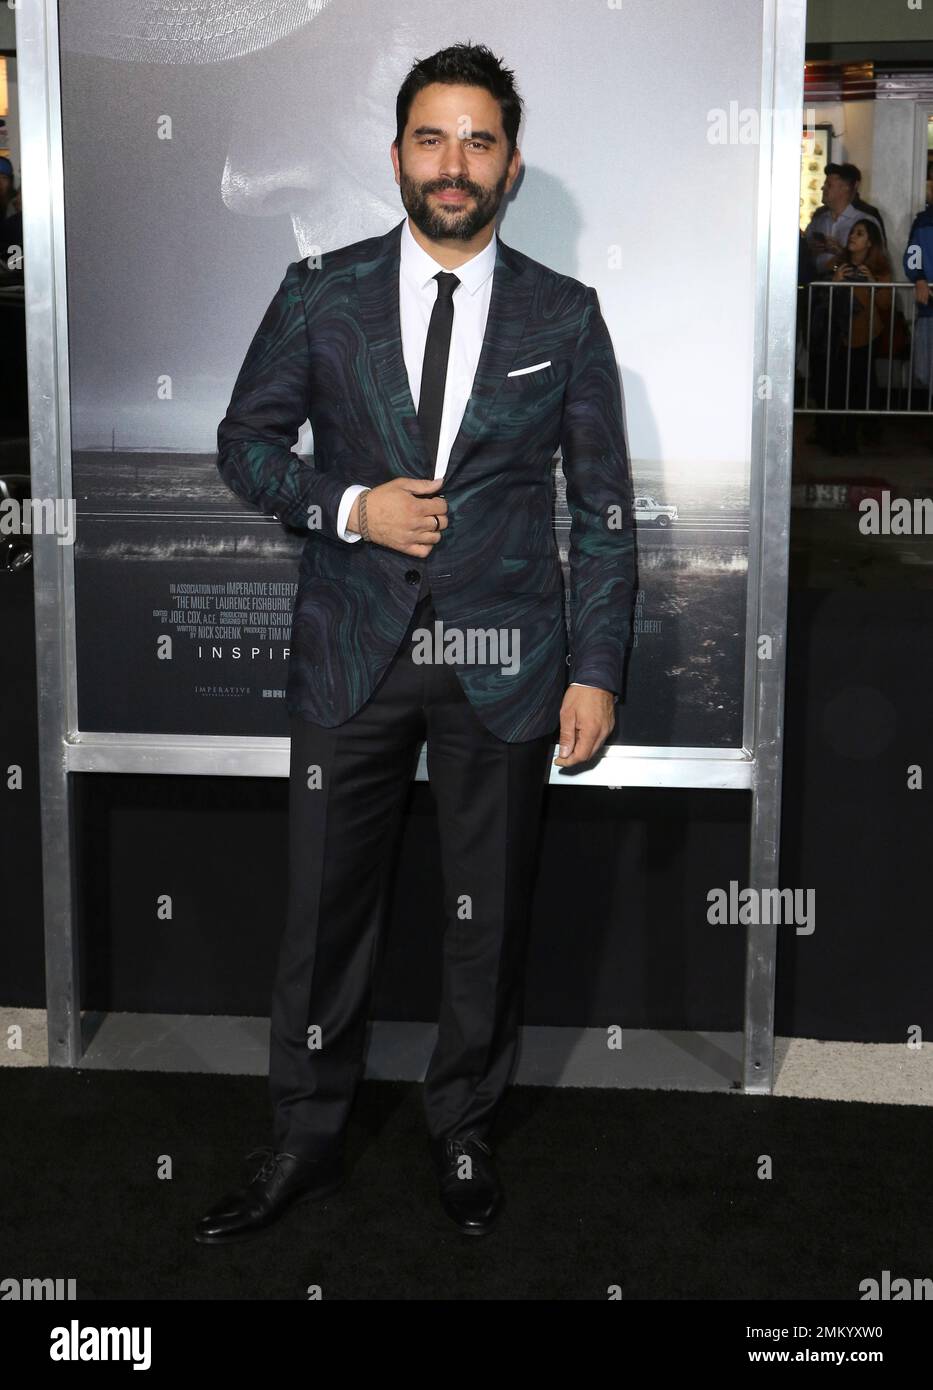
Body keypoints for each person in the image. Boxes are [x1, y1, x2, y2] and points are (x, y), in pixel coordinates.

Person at [197, 42, 634, 1244]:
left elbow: (600, 508)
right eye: (432, 139)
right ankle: (303, 1137)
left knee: (485, 914)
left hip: (506, 655)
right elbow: (244, 442)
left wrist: (596, 667)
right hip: (354, 647)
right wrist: (349, 506)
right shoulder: (319, 291)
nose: (454, 164)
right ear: (396, 155)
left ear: (512, 163)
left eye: (479, 141)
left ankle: (463, 1127)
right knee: (323, 913)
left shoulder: (564, 313)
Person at [826, 219, 893, 453]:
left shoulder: (879, 268)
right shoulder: (839, 265)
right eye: (853, 233)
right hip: (841, 335)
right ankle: (836, 436)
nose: (852, 237)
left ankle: (857, 435)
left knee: (860, 386)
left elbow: (885, 303)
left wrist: (873, 283)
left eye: (860, 234)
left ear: (870, 242)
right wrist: (834, 283)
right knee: (838, 386)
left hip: (866, 336)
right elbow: (824, 298)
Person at [903, 198, 933, 409]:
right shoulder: (924, 222)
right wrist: (919, 278)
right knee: (925, 371)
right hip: (930, 308)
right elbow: (913, 255)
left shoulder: (924, 221)